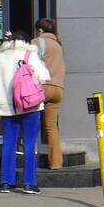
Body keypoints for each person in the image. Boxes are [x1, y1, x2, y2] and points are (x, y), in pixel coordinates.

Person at [0, 30, 51, 194]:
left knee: (9, 144)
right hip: (29, 105)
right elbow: (44, 76)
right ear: (26, 42)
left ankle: (6, 182)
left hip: (7, 107)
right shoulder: (29, 54)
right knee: (29, 143)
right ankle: (29, 183)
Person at [31, 19, 66, 169]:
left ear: (40, 30)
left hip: (42, 87)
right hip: (58, 89)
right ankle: (56, 163)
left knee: (29, 121)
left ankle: (24, 153)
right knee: (51, 126)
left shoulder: (37, 42)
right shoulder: (59, 45)